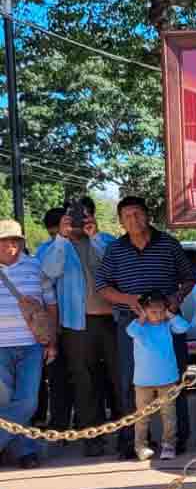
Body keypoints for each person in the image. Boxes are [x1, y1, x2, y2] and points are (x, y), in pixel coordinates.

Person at [95, 196, 195, 459]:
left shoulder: (169, 244)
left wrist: (176, 298)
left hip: (167, 322)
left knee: (175, 380)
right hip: (133, 326)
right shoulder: (115, 250)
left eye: (138, 214)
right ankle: (134, 442)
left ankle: (176, 439)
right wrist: (128, 299)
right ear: (120, 222)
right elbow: (102, 286)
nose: (133, 220)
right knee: (131, 381)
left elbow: (188, 278)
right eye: (127, 216)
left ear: (147, 215)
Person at [38, 199, 120, 456]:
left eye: (82, 216)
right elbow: (48, 272)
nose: (76, 221)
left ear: (92, 216)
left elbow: (115, 267)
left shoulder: (105, 240)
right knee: (85, 382)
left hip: (112, 320)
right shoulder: (51, 247)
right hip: (76, 323)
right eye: (72, 217)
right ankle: (92, 439)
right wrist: (62, 239)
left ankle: (132, 437)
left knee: (122, 378)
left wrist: (93, 236)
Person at [0, 219, 56, 469]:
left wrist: (52, 340)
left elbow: (51, 304)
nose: (10, 246)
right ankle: (25, 451)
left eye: (15, 240)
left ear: (21, 242)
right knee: (6, 401)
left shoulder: (35, 267)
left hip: (32, 345)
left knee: (28, 401)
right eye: (4, 241)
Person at [125, 290, 190, 461]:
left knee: (169, 415)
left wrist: (170, 314)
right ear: (144, 310)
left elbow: (184, 327)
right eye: (153, 311)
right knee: (142, 416)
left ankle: (169, 444)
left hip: (167, 378)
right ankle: (140, 446)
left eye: (161, 311)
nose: (158, 315)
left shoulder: (167, 325)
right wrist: (141, 317)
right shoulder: (138, 327)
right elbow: (130, 331)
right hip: (143, 381)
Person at [33, 209, 73, 434]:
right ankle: (60, 424)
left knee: (70, 377)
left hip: (74, 323)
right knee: (58, 379)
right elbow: (45, 286)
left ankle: (66, 424)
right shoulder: (44, 252)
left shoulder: (82, 244)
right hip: (57, 324)